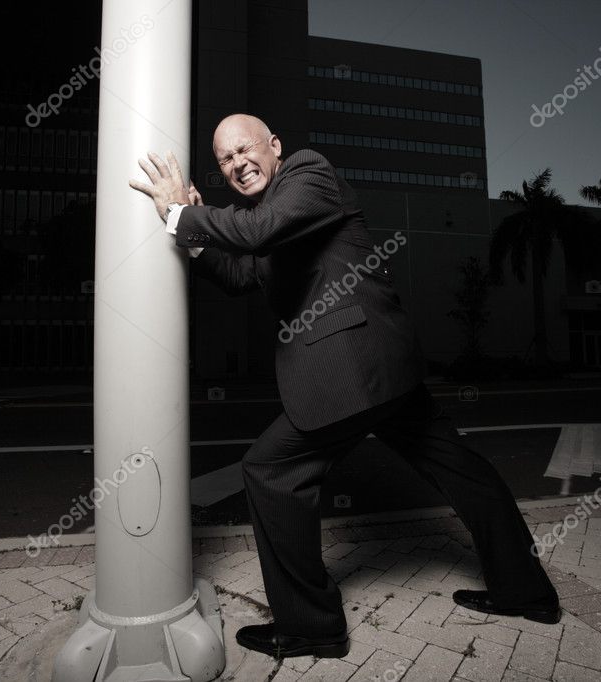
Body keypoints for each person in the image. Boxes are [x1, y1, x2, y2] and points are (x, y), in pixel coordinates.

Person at [128, 113, 560, 660]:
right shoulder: (271, 218)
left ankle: (312, 628)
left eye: (245, 150)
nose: (238, 165)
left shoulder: (308, 176)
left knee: (270, 471)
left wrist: (178, 212)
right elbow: (240, 274)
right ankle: (526, 591)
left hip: (350, 369)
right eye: (225, 161)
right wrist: (191, 235)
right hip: (383, 370)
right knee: (461, 469)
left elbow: (254, 232)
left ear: (276, 144)